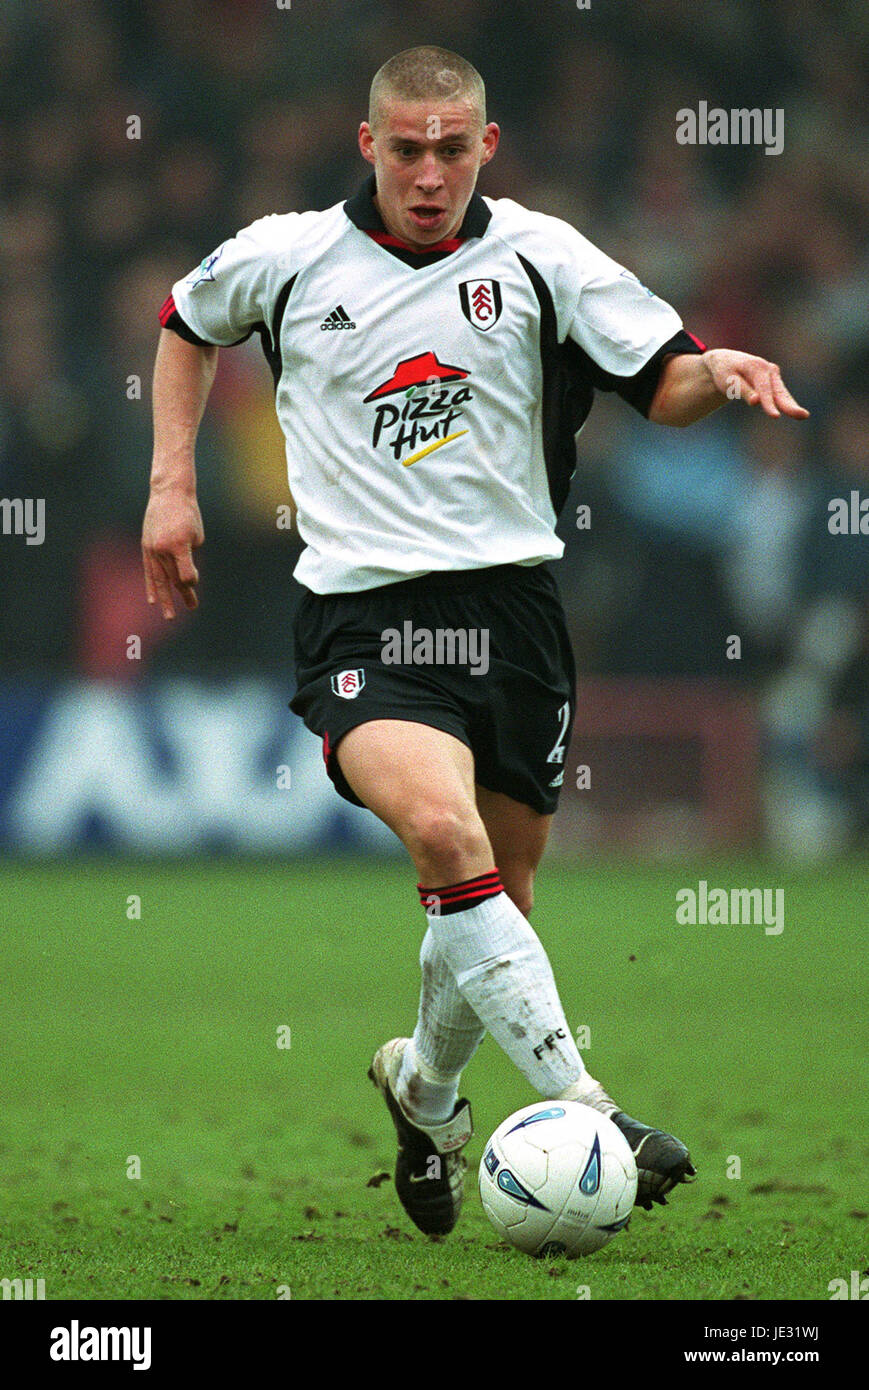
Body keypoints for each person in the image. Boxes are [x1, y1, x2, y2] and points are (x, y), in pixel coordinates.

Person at [142, 46, 808, 1237]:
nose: (430, 171)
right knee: (444, 835)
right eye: (407, 148)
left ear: (486, 148)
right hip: (364, 615)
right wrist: (169, 485)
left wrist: (718, 369)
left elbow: (660, 382)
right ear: (369, 146)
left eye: (453, 149)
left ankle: (424, 1089)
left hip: (515, 618)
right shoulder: (287, 255)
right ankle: (590, 1108)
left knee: (491, 895)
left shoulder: (544, 258)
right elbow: (187, 323)